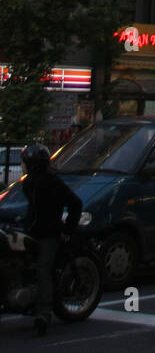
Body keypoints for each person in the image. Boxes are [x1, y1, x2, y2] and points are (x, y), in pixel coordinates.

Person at [21, 142, 82, 336]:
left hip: (48, 234)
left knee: (43, 268)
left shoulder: (50, 182)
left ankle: (44, 312)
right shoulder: (28, 182)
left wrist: (67, 230)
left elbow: (75, 203)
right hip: (30, 231)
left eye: (25, 162)